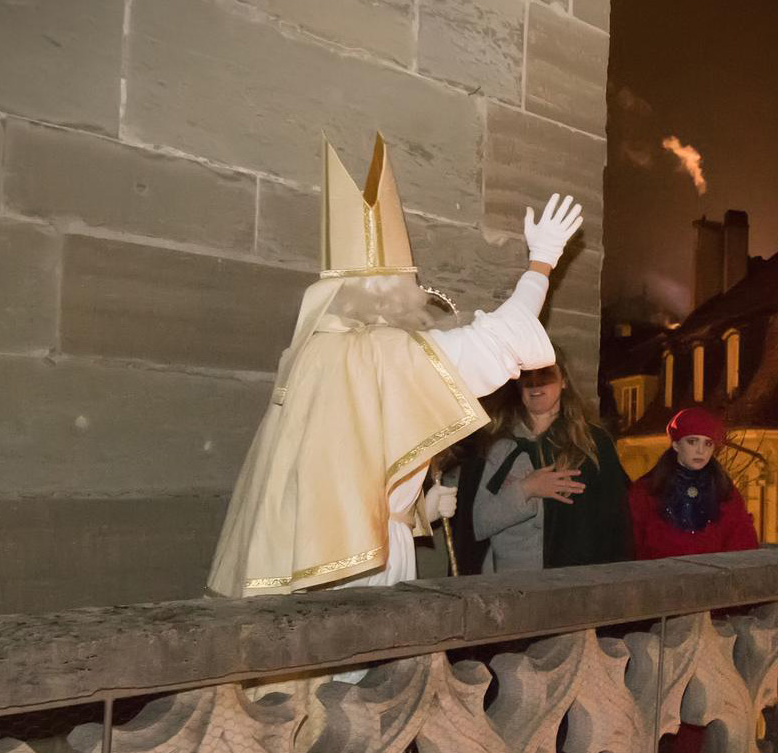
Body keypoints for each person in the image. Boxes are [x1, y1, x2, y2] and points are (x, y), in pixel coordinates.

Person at [210, 135, 580, 595]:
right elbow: (504, 339)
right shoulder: (383, 352)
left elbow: (349, 467)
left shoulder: (312, 353)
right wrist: (542, 262)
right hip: (369, 556)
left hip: (316, 555)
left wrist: (414, 506)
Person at [458, 363, 632, 573]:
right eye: (527, 377)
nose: (536, 384)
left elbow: (614, 524)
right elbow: (477, 524)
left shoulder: (592, 444)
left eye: (546, 375)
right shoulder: (498, 445)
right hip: (507, 582)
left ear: (563, 381)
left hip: (572, 581)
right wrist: (526, 489)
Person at [631, 407, 758, 559]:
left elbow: (743, 544)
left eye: (708, 444)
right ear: (676, 445)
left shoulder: (725, 492)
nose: (701, 451)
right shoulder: (646, 491)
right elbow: (632, 545)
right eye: (692, 442)